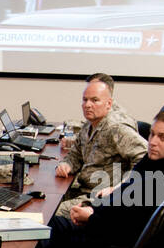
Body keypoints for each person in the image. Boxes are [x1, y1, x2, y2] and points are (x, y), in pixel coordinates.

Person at [34, 107, 164, 248]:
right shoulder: (158, 161)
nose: (153, 142)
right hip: (106, 230)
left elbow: (127, 227)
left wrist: (90, 217)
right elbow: (127, 195)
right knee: (47, 226)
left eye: (163, 137)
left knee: (42, 233)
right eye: (152, 134)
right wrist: (93, 208)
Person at [54, 73, 147, 217]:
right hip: (81, 189)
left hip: (99, 198)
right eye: (85, 100)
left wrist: (120, 188)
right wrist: (67, 164)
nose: (87, 105)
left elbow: (145, 158)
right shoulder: (90, 123)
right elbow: (75, 153)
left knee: (47, 213)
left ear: (109, 104)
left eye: (95, 100)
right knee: (41, 200)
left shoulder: (116, 127)